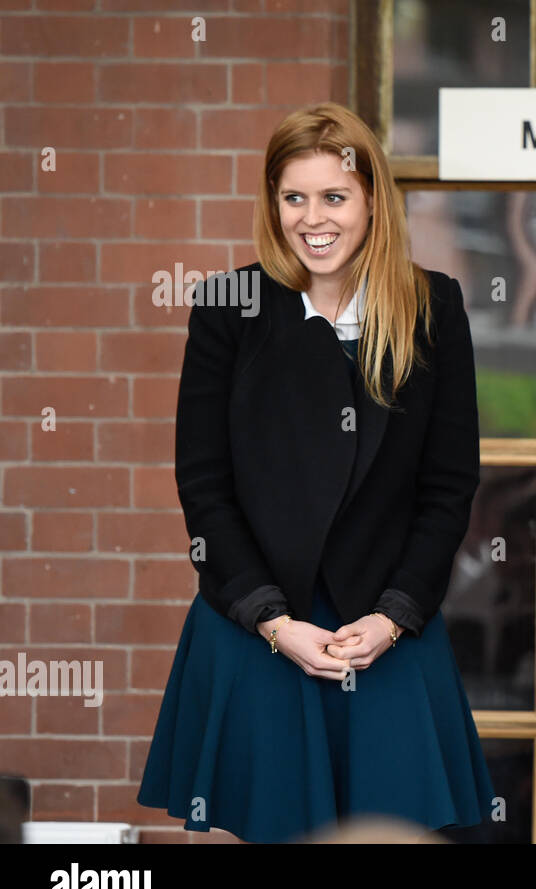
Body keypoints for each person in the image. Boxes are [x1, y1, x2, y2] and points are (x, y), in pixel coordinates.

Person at [137, 102, 495, 843]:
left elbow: (447, 486)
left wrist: (394, 615)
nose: (312, 218)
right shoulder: (227, 308)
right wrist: (272, 620)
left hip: (386, 627)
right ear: (273, 202)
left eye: (334, 196)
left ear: (371, 200)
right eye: (293, 197)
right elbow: (204, 486)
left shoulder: (433, 306)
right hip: (260, 623)